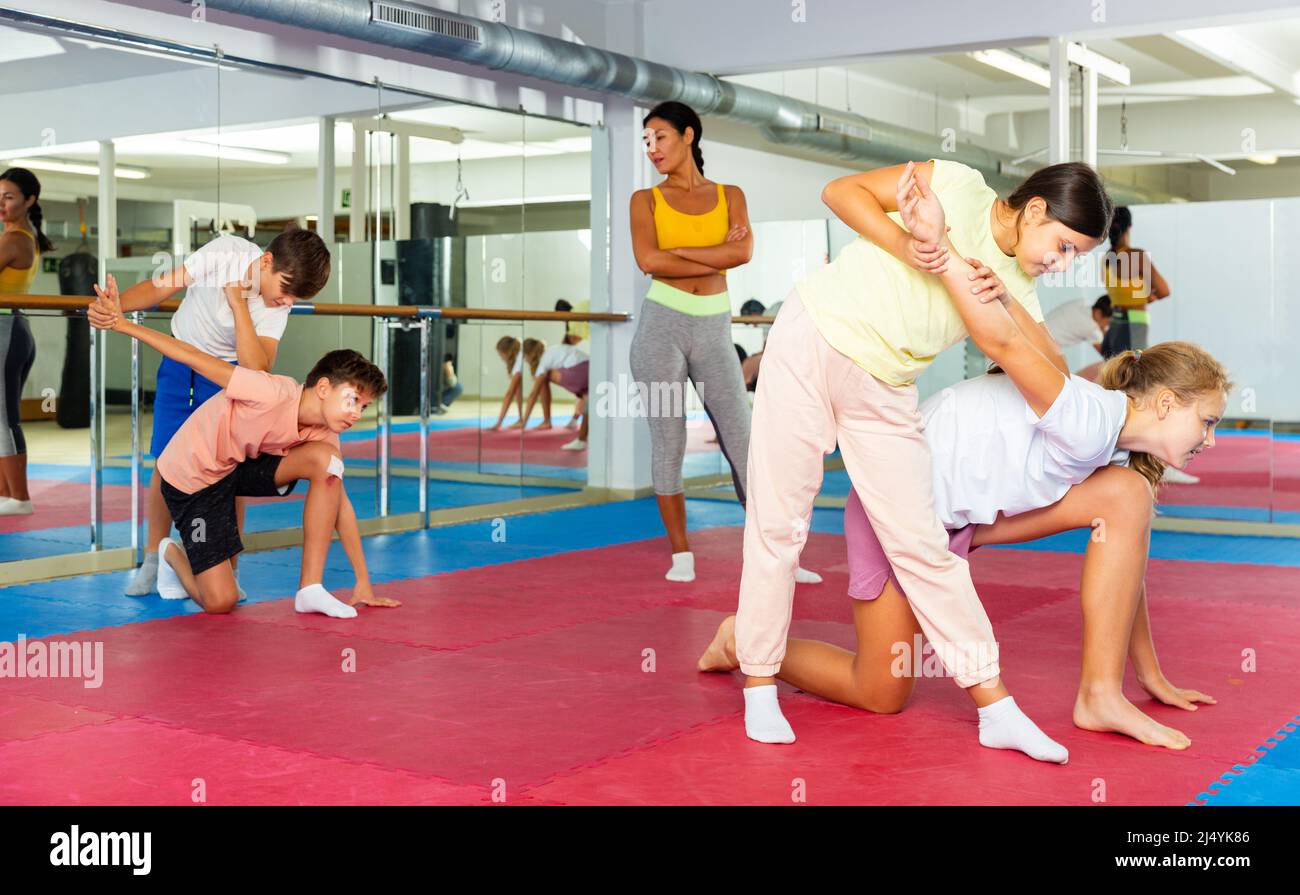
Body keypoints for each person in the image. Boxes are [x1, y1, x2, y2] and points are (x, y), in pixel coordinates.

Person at [734, 158, 1113, 755]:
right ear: (1035, 210)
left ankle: (996, 707)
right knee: (780, 521)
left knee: (923, 545)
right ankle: (758, 682)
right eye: (1064, 246)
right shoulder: (959, 183)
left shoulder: (1017, 282)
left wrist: (1003, 297)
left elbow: (1052, 369)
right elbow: (841, 191)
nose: (1061, 263)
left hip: (886, 381)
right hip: (815, 335)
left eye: (1074, 257)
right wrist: (910, 244)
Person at [701, 340, 1228, 752]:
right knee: (880, 692)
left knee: (1128, 498)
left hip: (957, 522)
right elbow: (1011, 345)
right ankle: (743, 640)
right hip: (893, 515)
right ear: (1164, 402)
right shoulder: (1084, 413)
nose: (1209, 440)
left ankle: (1100, 694)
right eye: (1207, 422)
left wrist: (1150, 673)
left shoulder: (1113, 455)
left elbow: (1125, 565)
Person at [89, 274, 398, 617]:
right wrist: (122, 324)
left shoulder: (325, 433)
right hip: (191, 480)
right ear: (323, 388)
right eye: (352, 400)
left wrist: (363, 582)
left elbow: (340, 502)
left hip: (233, 470)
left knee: (329, 463)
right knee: (221, 602)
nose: (356, 413)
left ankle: (310, 588)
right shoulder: (267, 390)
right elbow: (190, 355)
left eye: (364, 407)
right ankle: (170, 554)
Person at [630, 101, 819, 586]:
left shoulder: (729, 194)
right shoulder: (644, 201)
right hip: (660, 329)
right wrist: (716, 257)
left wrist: (681, 253)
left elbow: (743, 250)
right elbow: (649, 261)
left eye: (661, 137)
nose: (652, 148)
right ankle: (681, 553)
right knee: (668, 443)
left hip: (713, 329)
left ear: (689, 135)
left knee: (745, 442)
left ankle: (781, 557)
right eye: (646, 140)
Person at [120, 228, 331, 597]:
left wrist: (238, 306)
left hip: (228, 375)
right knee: (165, 460)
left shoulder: (276, 305)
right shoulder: (226, 252)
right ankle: (153, 558)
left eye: (295, 296)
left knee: (228, 468)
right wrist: (114, 305)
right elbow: (162, 287)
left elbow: (256, 368)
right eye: (285, 288)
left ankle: (230, 568)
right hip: (180, 360)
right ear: (266, 261)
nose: (287, 300)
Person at [0, 168, 52, 517]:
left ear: (29, 200)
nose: (1, 204)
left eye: (9, 196)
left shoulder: (15, 239)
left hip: (6, 331)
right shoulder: (18, 234)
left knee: (4, 417)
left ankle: (20, 497)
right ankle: (6, 494)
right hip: (12, 329)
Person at [518, 340, 589, 450]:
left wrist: (523, 422)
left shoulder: (543, 361)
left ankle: (547, 422)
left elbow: (533, 394)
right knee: (588, 399)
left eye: (524, 356)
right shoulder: (553, 349)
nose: (524, 360)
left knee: (543, 378)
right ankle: (579, 433)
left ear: (530, 355)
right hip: (591, 368)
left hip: (580, 373)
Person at [1045, 294, 1111, 381]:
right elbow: (1108, 357)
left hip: (1039, 329)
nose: (1108, 326)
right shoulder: (1091, 329)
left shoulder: (1082, 302)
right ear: (1098, 313)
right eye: (1108, 322)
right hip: (1046, 345)